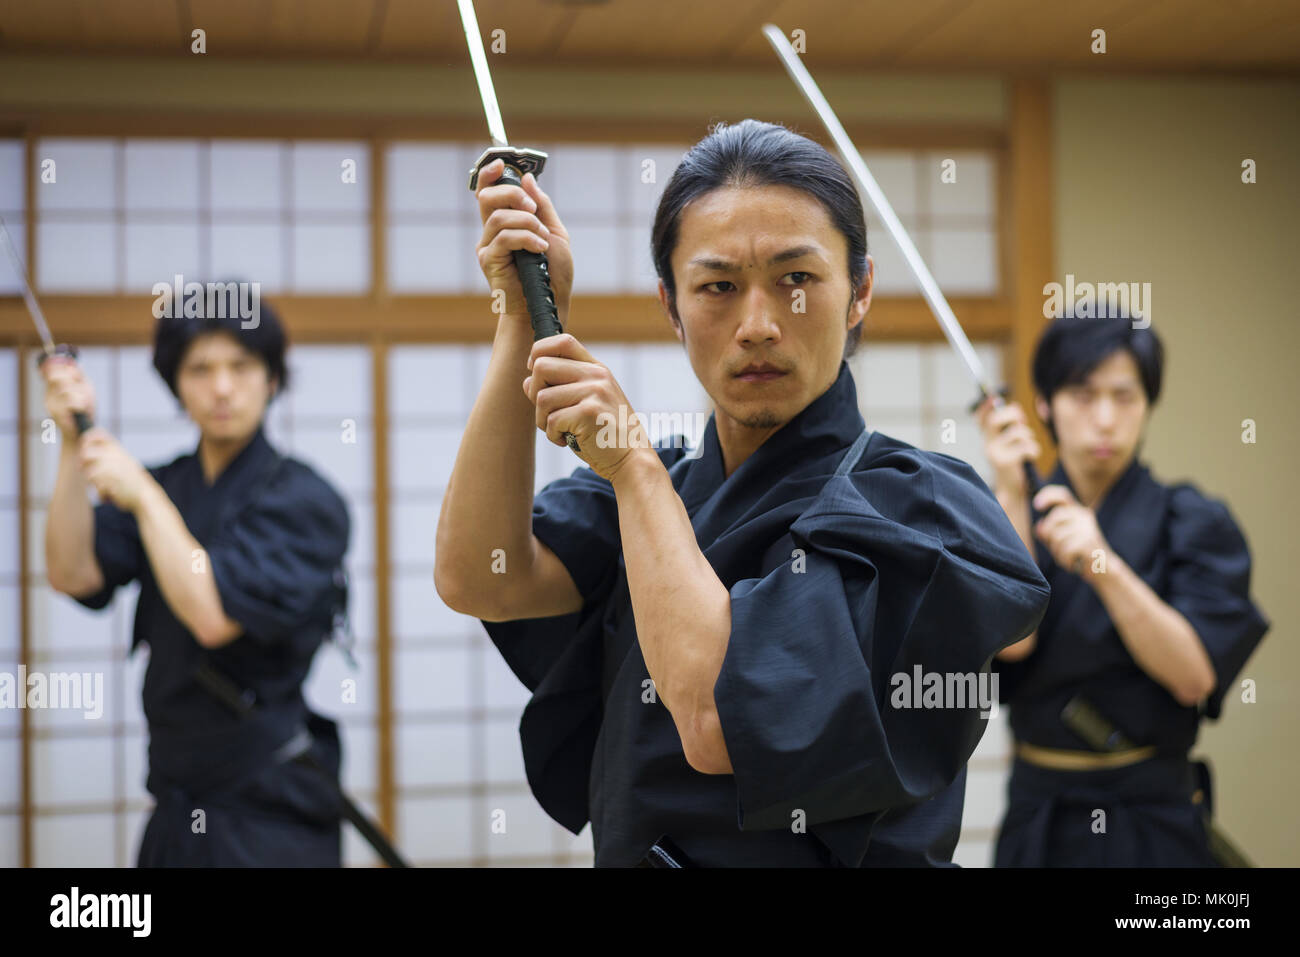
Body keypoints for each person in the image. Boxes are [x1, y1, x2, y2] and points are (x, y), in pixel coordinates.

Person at [435, 119, 1051, 867]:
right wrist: (521, 316)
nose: (758, 324)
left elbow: (716, 717)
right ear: (671, 306)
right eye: (718, 286)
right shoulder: (662, 489)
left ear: (859, 292)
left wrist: (633, 471)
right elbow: (480, 576)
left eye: (796, 279)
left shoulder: (926, 509)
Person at [42, 291, 350, 867]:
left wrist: (143, 498)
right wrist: (69, 443)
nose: (223, 388)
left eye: (241, 366)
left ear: (272, 379)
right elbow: (72, 571)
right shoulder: (167, 486)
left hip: (268, 809)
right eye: (200, 370)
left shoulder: (306, 500)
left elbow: (212, 616)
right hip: (174, 806)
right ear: (176, 385)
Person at [977, 313, 1269, 867]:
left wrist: (1101, 563)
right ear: (1044, 404)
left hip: (1152, 812)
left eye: (1124, 396)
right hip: (1041, 814)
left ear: (1147, 404)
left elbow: (1193, 677)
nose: (1105, 419)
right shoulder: (1008, 513)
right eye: (1083, 395)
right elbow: (1010, 644)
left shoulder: (1193, 520)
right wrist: (1010, 494)